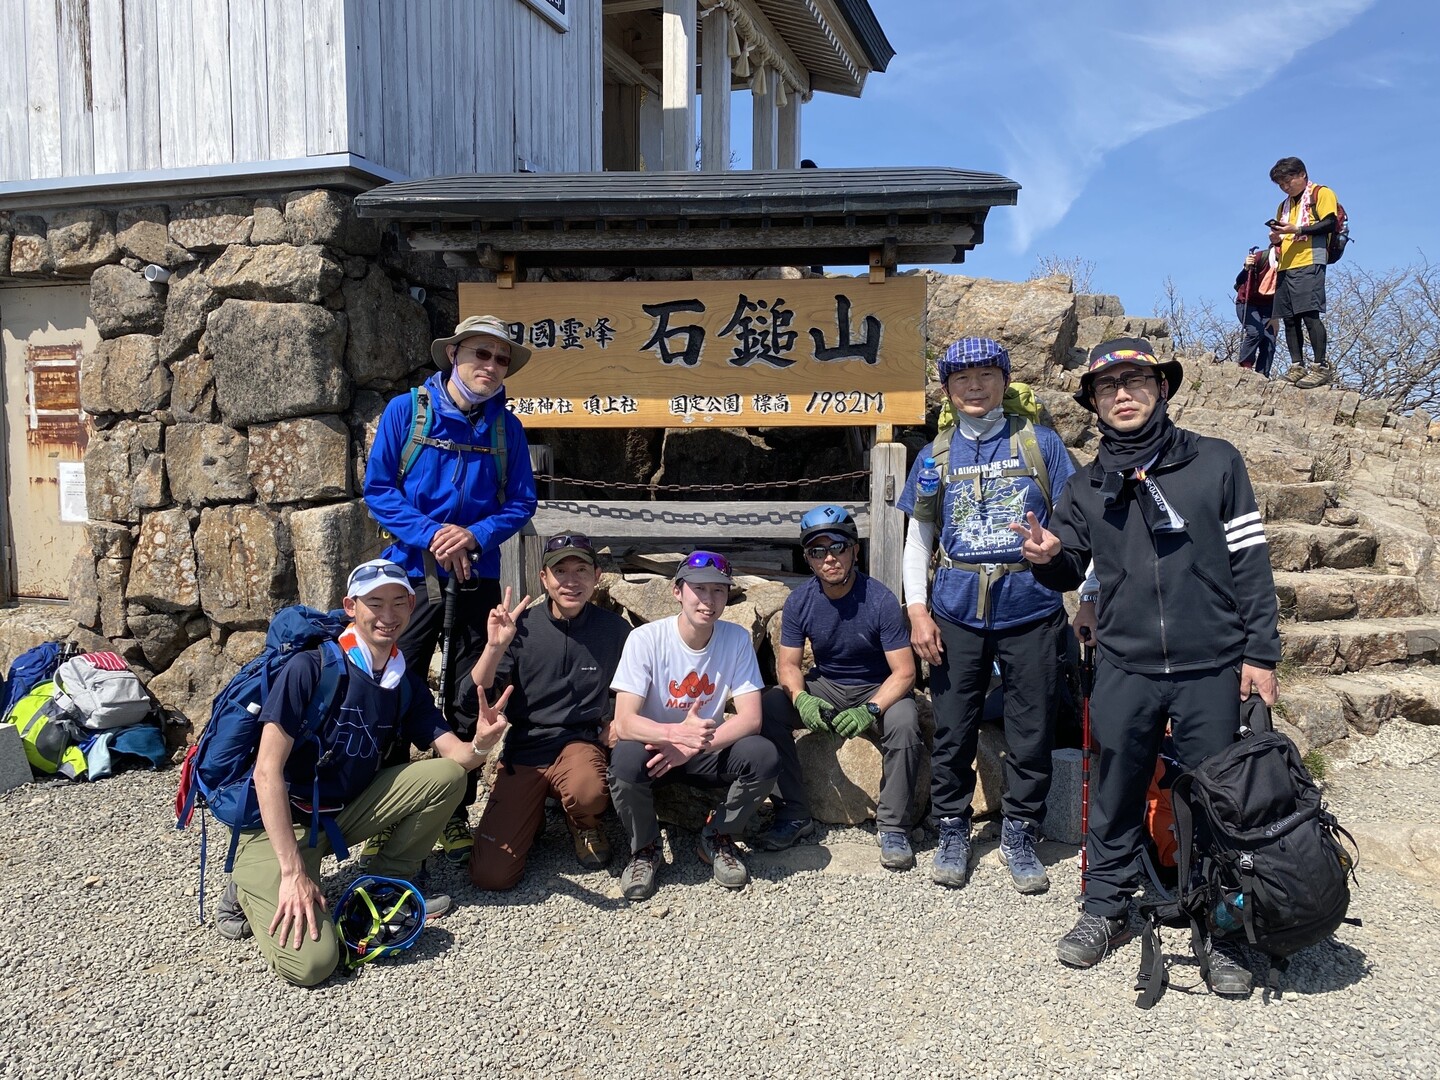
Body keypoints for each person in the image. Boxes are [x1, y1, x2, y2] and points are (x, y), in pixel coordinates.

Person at [1012, 337, 1281, 999]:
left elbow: (1251, 565)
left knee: (1218, 803)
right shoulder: (1086, 483)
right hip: (1124, 664)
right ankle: (1105, 909)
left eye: (1135, 381)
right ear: (1095, 404)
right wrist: (1048, 556)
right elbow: (1072, 564)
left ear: (1161, 390)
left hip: (1211, 663)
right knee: (1115, 791)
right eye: (1109, 388)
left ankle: (1218, 928)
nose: (1123, 395)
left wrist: (1260, 654)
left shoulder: (1216, 463)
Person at [221, 559, 511, 987]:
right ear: (351, 606)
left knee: (446, 776)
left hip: (339, 812)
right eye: (375, 603)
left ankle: (385, 881)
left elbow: (458, 758)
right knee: (314, 966)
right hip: (276, 826)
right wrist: (292, 874)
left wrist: (483, 743)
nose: (388, 615)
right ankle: (245, 885)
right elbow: (266, 773)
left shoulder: (403, 682)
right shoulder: (311, 668)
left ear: (413, 607)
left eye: (399, 603)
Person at [899, 337, 1075, 895]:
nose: (974, 387)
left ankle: (1020, 829)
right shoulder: (935, 454)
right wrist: (918, 610)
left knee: (1032, 726)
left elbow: (1080, 525)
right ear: (947, 390)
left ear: (1004, 381)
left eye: (984, 376)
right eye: (961, 379)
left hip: (1032, 605)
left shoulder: (1042, 444)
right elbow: (918, 536)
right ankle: (952, 826)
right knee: (953, 724)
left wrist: (1084, 588)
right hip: (954, 609)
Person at [363, 315, 538, 865]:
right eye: (480, 355)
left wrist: (476, 533)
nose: (490, 366)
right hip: (409, 576)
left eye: (501, 359)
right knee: (391, 685)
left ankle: (452, 808)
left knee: (470, 692)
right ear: (454, 356)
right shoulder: (406, 412)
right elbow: (378, 488)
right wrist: (434, 533)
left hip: (475, 576)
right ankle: (382, 810)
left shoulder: (506, 429)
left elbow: (520, 503)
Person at [608, 551, 779, 901]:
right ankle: (645, 849)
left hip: (704, 748)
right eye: (699, 589)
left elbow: (751, 718)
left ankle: (717, 836)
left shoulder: (735, 638)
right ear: (677, 592)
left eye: (719, 591)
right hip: (654, 749)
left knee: (763, 756)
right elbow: (624, 722)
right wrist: (674, 735)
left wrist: (692, 744)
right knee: (624, 759)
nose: (709, 600)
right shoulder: (646, 639)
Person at [464, 533, 631, 890]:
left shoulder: (616, 631)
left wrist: (616, 719)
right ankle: (531, 811)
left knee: (588, 789)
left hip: (581, 744)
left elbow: (635, 687)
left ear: (597, 575)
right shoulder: (518, 628)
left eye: (581, 570)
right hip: (526, 750)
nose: (571, 581)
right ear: (544, 578)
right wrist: (495, 646)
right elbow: (472, 695)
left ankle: (584, 823)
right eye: (560, 570)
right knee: (491, 875)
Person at [758, 505, 920, 867]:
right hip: (826, 684)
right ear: (808, 559)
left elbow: (905, 673)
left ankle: (893, 826)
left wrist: (872, 708)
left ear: (854, 550)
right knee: (769, 706)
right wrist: (800, 699)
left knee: (906, 722)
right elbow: (786, 665)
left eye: (838, 547)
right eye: (818, 551)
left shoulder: (880, 600)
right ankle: (793, 813)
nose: (829, 558)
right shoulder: (800, 600)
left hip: (877, 685)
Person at [1268, 157, 1340, 389]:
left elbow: (1330, 224)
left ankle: (1320, 366)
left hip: (1310, 258)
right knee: (1289, 317)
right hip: (1286, 262)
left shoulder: (1321, 193)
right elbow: (1284, 230)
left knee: (1309, 314)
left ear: (1302, 175)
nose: (1285, 187)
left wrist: (1297, 229)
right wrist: (1277, 238)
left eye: (1288, 181)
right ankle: (1296, 365)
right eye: (1281, 184)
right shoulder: (1284, 206)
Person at [1234, 247, 1277, 378]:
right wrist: (1247, 267)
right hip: (1247, 302)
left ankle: (1263, 375)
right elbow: (1239, 281)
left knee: (1270, 339)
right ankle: (1245, 366)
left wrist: (1276, 316)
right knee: (1255, 331)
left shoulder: (1288, 267)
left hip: (1268, 306)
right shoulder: (1259, 257)